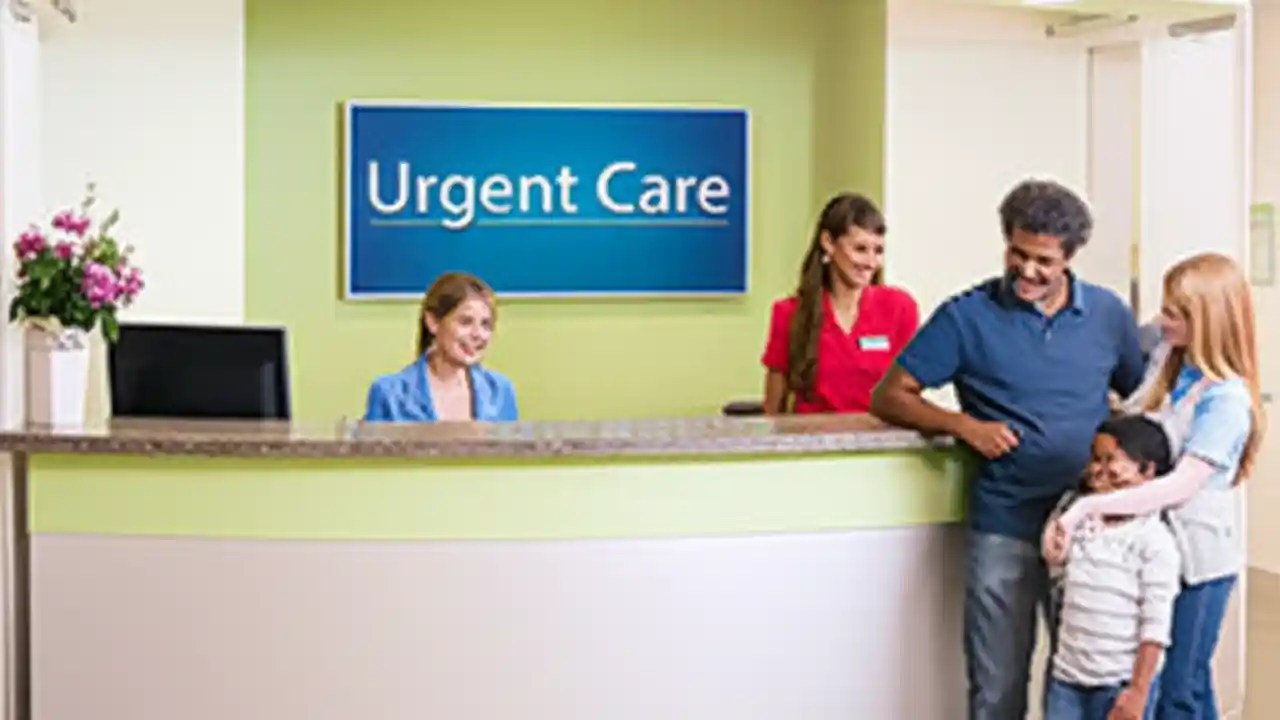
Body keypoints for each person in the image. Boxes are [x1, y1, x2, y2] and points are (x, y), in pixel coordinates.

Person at [868, 178, 1146, 719]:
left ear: (1070, 258)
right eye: (1017, 253)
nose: (1027, 270)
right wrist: (964, 425)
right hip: (1006, 524)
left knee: (1083, 683)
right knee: (997, 684)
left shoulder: (1108, 316)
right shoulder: (966, 316)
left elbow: (1135, 396)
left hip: (1088, 532)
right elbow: (889, 395)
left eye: (1043, 260)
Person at [1047, 253, 1263, 719]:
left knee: (1179, 690)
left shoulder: (1226, 400)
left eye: (1174, 314)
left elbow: (1181, 485)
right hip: (1157, 548)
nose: (1160, 322)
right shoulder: (1172, 360)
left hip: (1198, 565)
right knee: (1189, 686)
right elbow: (1134, 403)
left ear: (1207, 321)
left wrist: (1085, 510)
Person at [1044, 415, 1181, 720]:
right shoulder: (1082, 522)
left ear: (1147, 471)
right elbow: (1060, 576)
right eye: (1094, 459)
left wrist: (1138, 692)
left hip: (1118, 684)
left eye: (1110, 460)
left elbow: (1155, 628)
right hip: (1068, 679)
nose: (1097, 470)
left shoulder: (1154, 541)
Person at [760, 193, 918, 414]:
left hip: (880, 442)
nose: (871, 262)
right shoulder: (789, 313)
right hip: (811, 442)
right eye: (860, 249)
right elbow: (774, 408)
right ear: (828, 243)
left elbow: (908, 394)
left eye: (878, 250)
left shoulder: (899, 307)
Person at [363, 272, 519, 422]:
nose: (477, 334)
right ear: (433, 322)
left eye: (486, 324)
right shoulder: (390, 393)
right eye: (465, 322)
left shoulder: (500, 391)